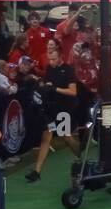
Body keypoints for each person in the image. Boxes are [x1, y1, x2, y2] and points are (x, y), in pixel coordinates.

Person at [26, 39, 80, 183]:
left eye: (54, 59)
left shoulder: (68, 70)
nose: (51, 62)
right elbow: (49, 83)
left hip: (64, 109)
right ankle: (37, 171)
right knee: (46, 138)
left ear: (60, 57)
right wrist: (44, 85)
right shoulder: (49, 69)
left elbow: (73, 91)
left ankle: (80, 156)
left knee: (66, 137)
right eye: (49, 59)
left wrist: (55, 89)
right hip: (51, 108)